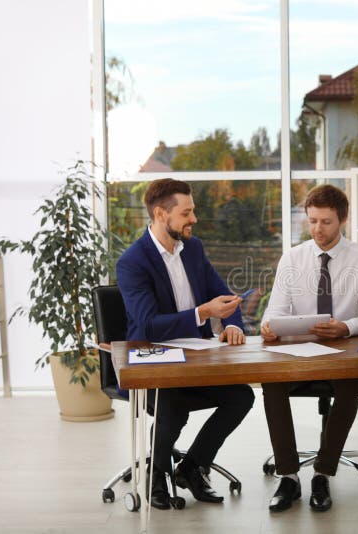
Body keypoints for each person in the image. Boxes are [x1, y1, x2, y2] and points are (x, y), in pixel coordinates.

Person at [116, 178, 255, 510]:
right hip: (152, 366)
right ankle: (155, 476)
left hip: (195, 361)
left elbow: (224, 296)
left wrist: (231, 325)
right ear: (161, 214)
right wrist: (202, 313)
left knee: (241, 397)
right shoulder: (133, 262)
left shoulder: (193, 248)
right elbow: (148, 325)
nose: (194, 219)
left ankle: (193, 468)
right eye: (186, 212)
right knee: (172, 405)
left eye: (193, 211)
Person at [260, 184, 358, 512]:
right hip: (299, 355)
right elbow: (274, 312)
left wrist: (346, 327)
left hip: (342, 356)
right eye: (312, 220)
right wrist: (269, 326)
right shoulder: (293, 258)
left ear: (342, 219)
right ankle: (288, 476)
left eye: (326, 222)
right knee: (271, 382)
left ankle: (322, 473)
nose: (317, 229)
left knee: (352, 385)